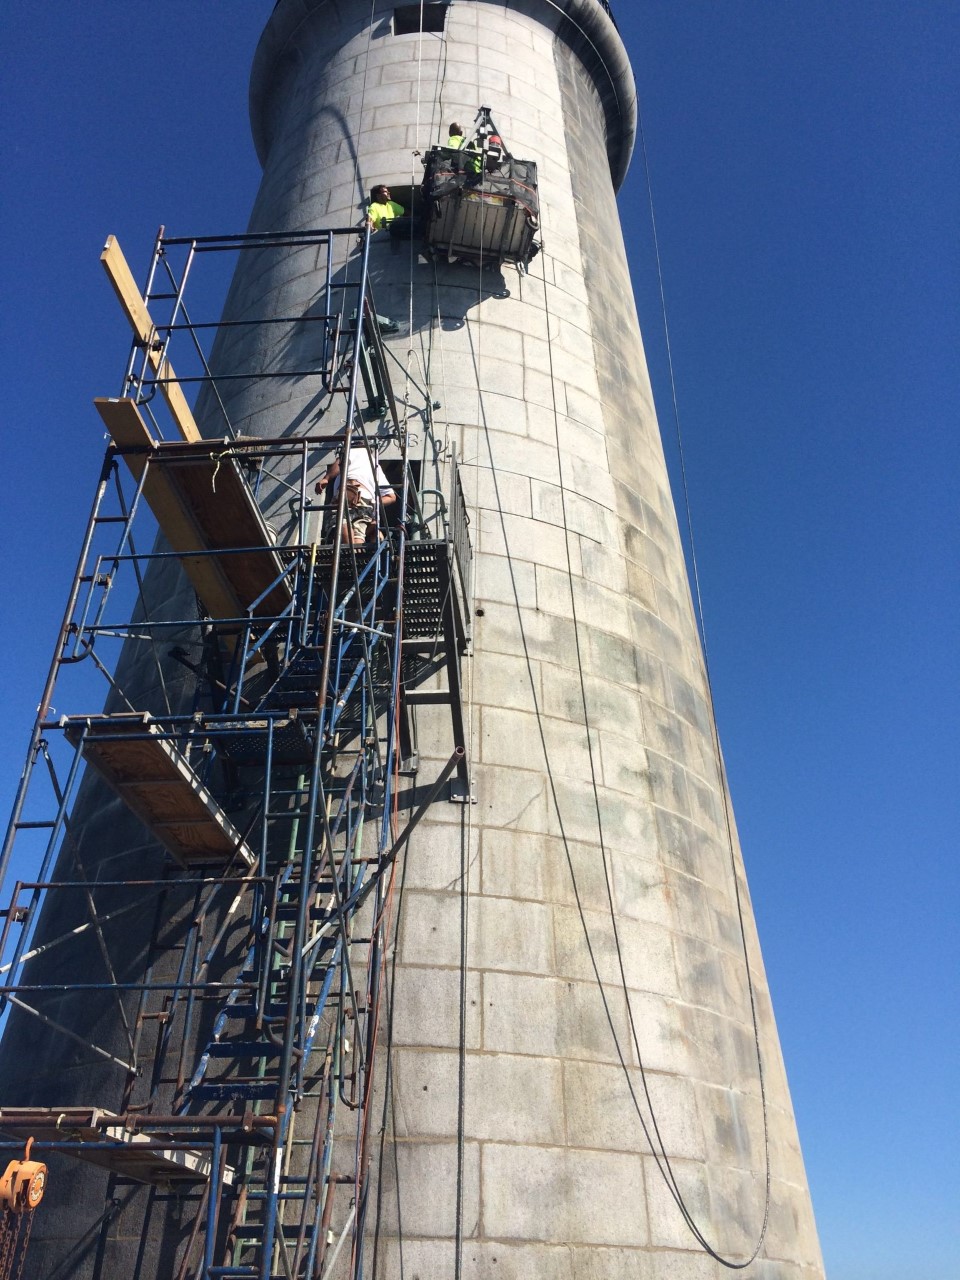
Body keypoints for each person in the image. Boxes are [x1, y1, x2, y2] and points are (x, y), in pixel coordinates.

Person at [316, 446, 396, 545]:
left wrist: (326, 478)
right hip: (366, 501)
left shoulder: (352, 450)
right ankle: (357, 556)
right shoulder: (375, 465)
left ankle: (351, 555)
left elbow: (340, 462)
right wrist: (373, 502)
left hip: (348, 493)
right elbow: (391, 497)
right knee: (358, 534)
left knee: (339, 521)